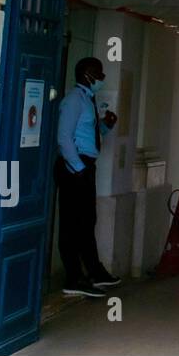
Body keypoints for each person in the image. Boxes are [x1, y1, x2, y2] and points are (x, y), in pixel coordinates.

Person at [54, 57, 122, 297]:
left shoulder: (86, 99)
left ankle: (94, 272)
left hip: (84, 166)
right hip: (75, 169)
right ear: (87, 75)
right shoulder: (73, 100)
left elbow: (85, 133)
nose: (102, 78)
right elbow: (63, 137)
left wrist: (105, 126)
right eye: (99, 73)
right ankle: (73, 278)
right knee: (72, 224)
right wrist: (78, 169)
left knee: (86, 221)